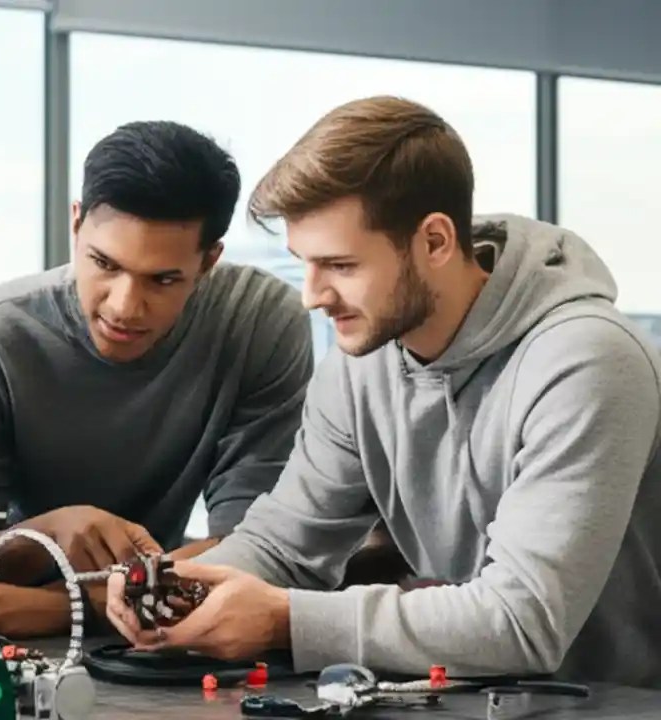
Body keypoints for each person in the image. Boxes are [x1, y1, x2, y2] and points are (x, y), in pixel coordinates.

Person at [106, 95, 661, 688]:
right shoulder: (363, 359)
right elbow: (284, 546)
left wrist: (285, 622)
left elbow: (522, 620)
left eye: (340, 266)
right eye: (304, 264)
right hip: (473, 699)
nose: (312, 296)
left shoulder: (585, 361)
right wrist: (171, 586)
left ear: (436, 242)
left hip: (617, 703)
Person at [0, 120, 315, 638]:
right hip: (15, 646)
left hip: (154, 637)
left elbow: (260, 548)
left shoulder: (260, 322)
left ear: (209, 262)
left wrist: (71, 606)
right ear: (75, 225)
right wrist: (47, 535)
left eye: (164, 279)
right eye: (104, 263)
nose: (125, 306)